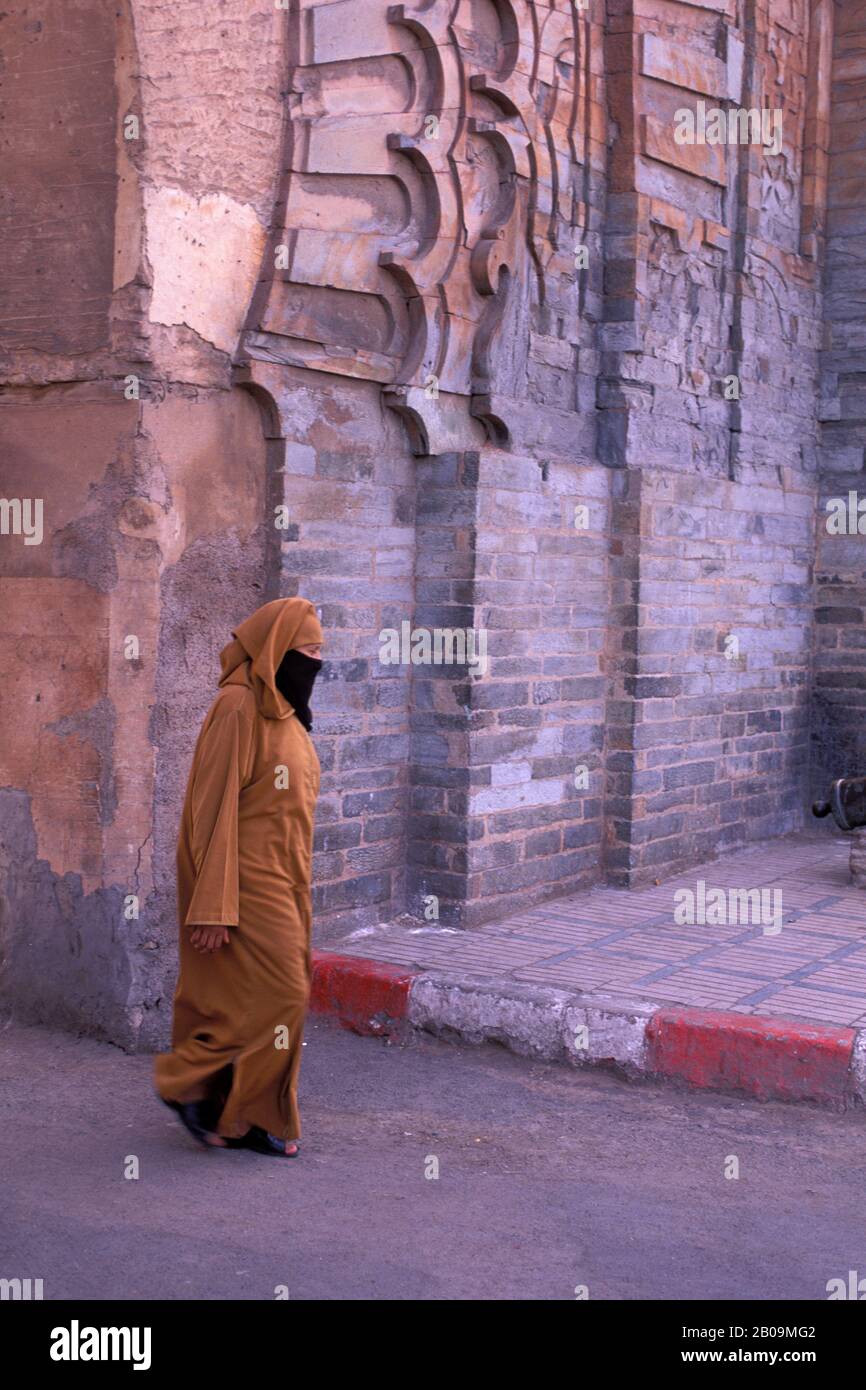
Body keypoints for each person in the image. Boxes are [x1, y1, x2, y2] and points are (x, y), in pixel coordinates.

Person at [154, 596, 324, 1158]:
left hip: (285, 875)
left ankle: (222, 1104)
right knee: (282, 993)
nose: (316, 662)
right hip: (243, 880)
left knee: (251, 996)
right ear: (275, 649)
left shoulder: (286, 713)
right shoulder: (237, 707)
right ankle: (200, 1090)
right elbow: (211, 807)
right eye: (308, 651)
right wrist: (211, 904)